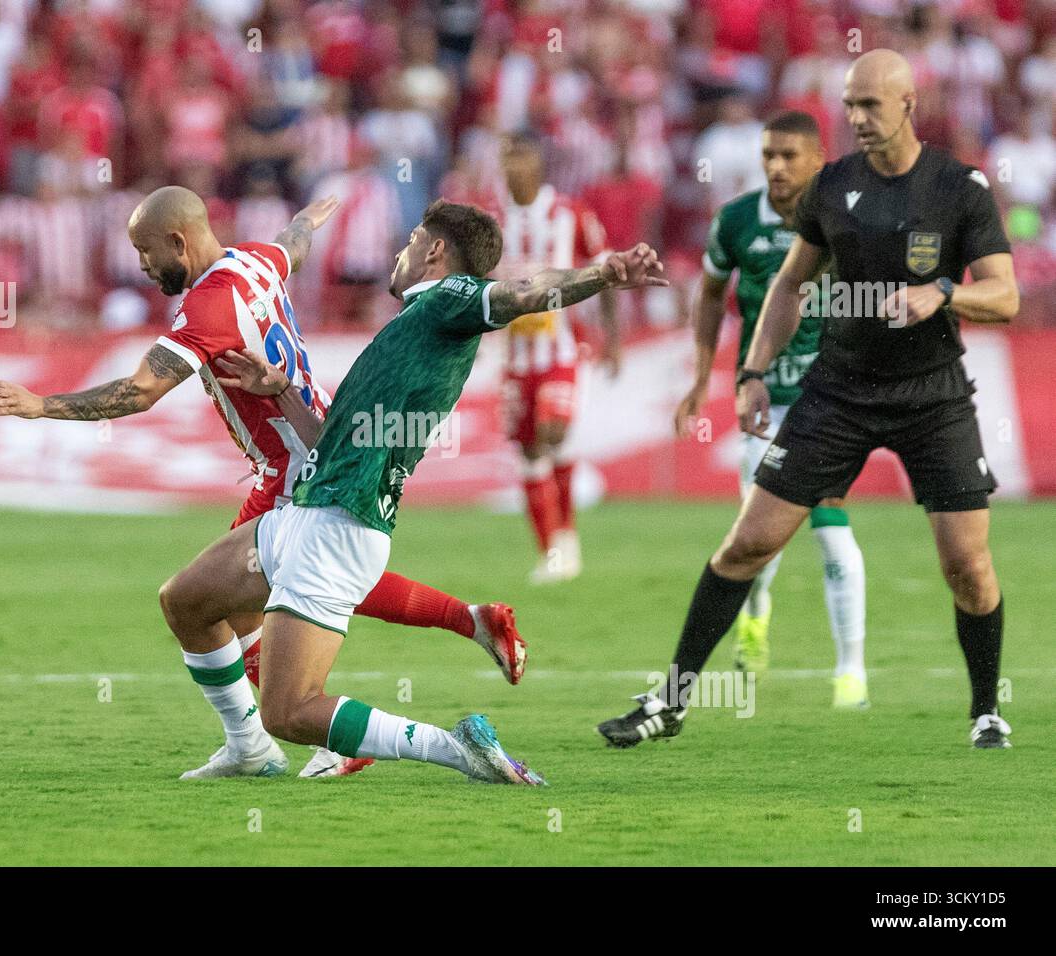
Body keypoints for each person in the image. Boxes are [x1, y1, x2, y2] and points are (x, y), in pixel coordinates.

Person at [0, 187, 527, 779]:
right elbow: (293, 245)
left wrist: (42, 405)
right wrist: (304, 221)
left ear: (178, 242)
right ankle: (280, 733)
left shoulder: (210, 305)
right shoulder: (256, 259)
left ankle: (298, 739)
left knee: (226, 610)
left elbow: (140, 390)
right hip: (306, 453)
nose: (139, 263)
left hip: (297, 476)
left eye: (144, 249)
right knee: (216, 605)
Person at [599, 49, 1019, 751]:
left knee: (967, 568)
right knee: (748, 542)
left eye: (869, 105)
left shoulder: (959, 187)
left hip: (933, 396)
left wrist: (944, 292)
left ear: (908, 105)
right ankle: (668, 702)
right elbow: (793, 284)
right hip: (840, 392)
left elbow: (1006, 295)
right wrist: (754, 371)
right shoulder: (834, 187)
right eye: (849, 105)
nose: (855, 118)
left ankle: (985, 710)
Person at [163, 199, 667, 784]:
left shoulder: (449, 301)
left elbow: (526, 291)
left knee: (290, 711)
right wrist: (279, 390)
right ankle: (248, 748)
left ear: (434, 251)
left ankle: (457, 748)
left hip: (335, 526)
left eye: (410, 240)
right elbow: (332, 441)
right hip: (307, 512)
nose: (399, 253)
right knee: (186, 600)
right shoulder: (412, 324)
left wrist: (603, 272)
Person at [674, 110, 869, 707]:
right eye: (768, 156)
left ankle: (850, 673)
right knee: (755, 539)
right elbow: (709, 295)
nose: (776, 167)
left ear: (818, 160)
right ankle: (756, 614)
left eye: (789, 156)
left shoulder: (844, 220)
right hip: (760, 403)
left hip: (827, 401)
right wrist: (702, 376)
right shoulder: (736, 221)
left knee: (830, 524)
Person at [496, 131, 620, 584]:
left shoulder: (570, 213)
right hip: (514, 358)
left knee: (554, 428)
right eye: (508, 156)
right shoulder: (492, 222)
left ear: (540, 163)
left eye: (522, 156)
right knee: (531, 451)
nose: (514, 166)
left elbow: (608, 270)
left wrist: (614, 340)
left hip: (562, 349)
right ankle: (553, 550)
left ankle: (566, 539)